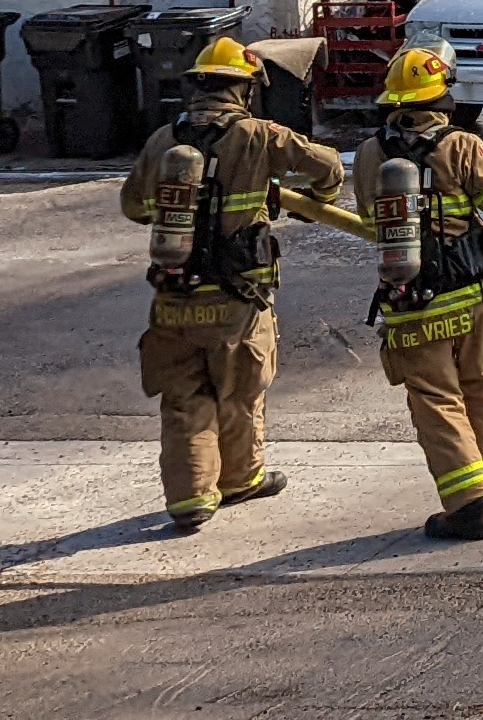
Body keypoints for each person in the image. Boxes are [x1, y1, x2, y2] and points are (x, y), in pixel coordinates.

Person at [121, 36, 347, 534]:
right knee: (240, 391)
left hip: (173, 296)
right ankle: (242, 479)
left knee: (184, 398)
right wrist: (319, 198)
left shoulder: (164, 140)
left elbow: (134, 207)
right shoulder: (260, 135)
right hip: (237, 298)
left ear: (198, 87)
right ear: (244, 91)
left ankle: (189, 501)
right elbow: (328, 166)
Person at [357, 44, 483, 542]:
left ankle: (468, 500)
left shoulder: (370, 155)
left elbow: (367, 220)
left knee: (436, 399)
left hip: (412, 304)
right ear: (442, 97)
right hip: (477, 294)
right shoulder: (464, 147)